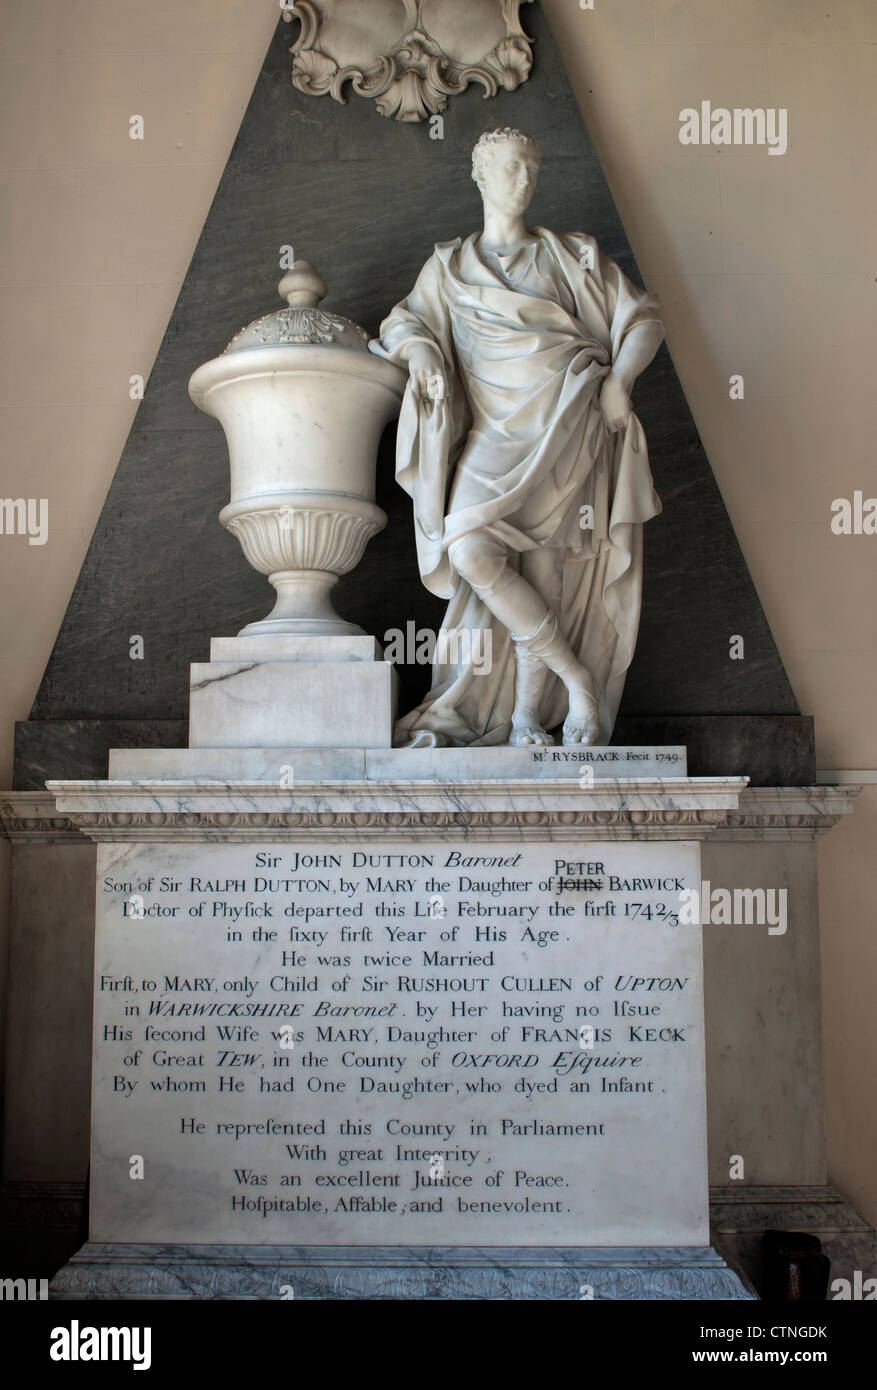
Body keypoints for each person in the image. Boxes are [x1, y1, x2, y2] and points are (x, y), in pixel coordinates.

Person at [369, 127, 663, 748]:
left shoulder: (573, 256)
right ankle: (577, 678)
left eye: (532, 166)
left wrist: (622, 383)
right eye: (510, 167)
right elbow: (404, 323)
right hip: (493, 436)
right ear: (479, 175)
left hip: (569, 428)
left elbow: (642, 320)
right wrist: (422, 353)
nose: (524, 178)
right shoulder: (448, 266)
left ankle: (529, 718)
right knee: (470, 547)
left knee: (547, 575)